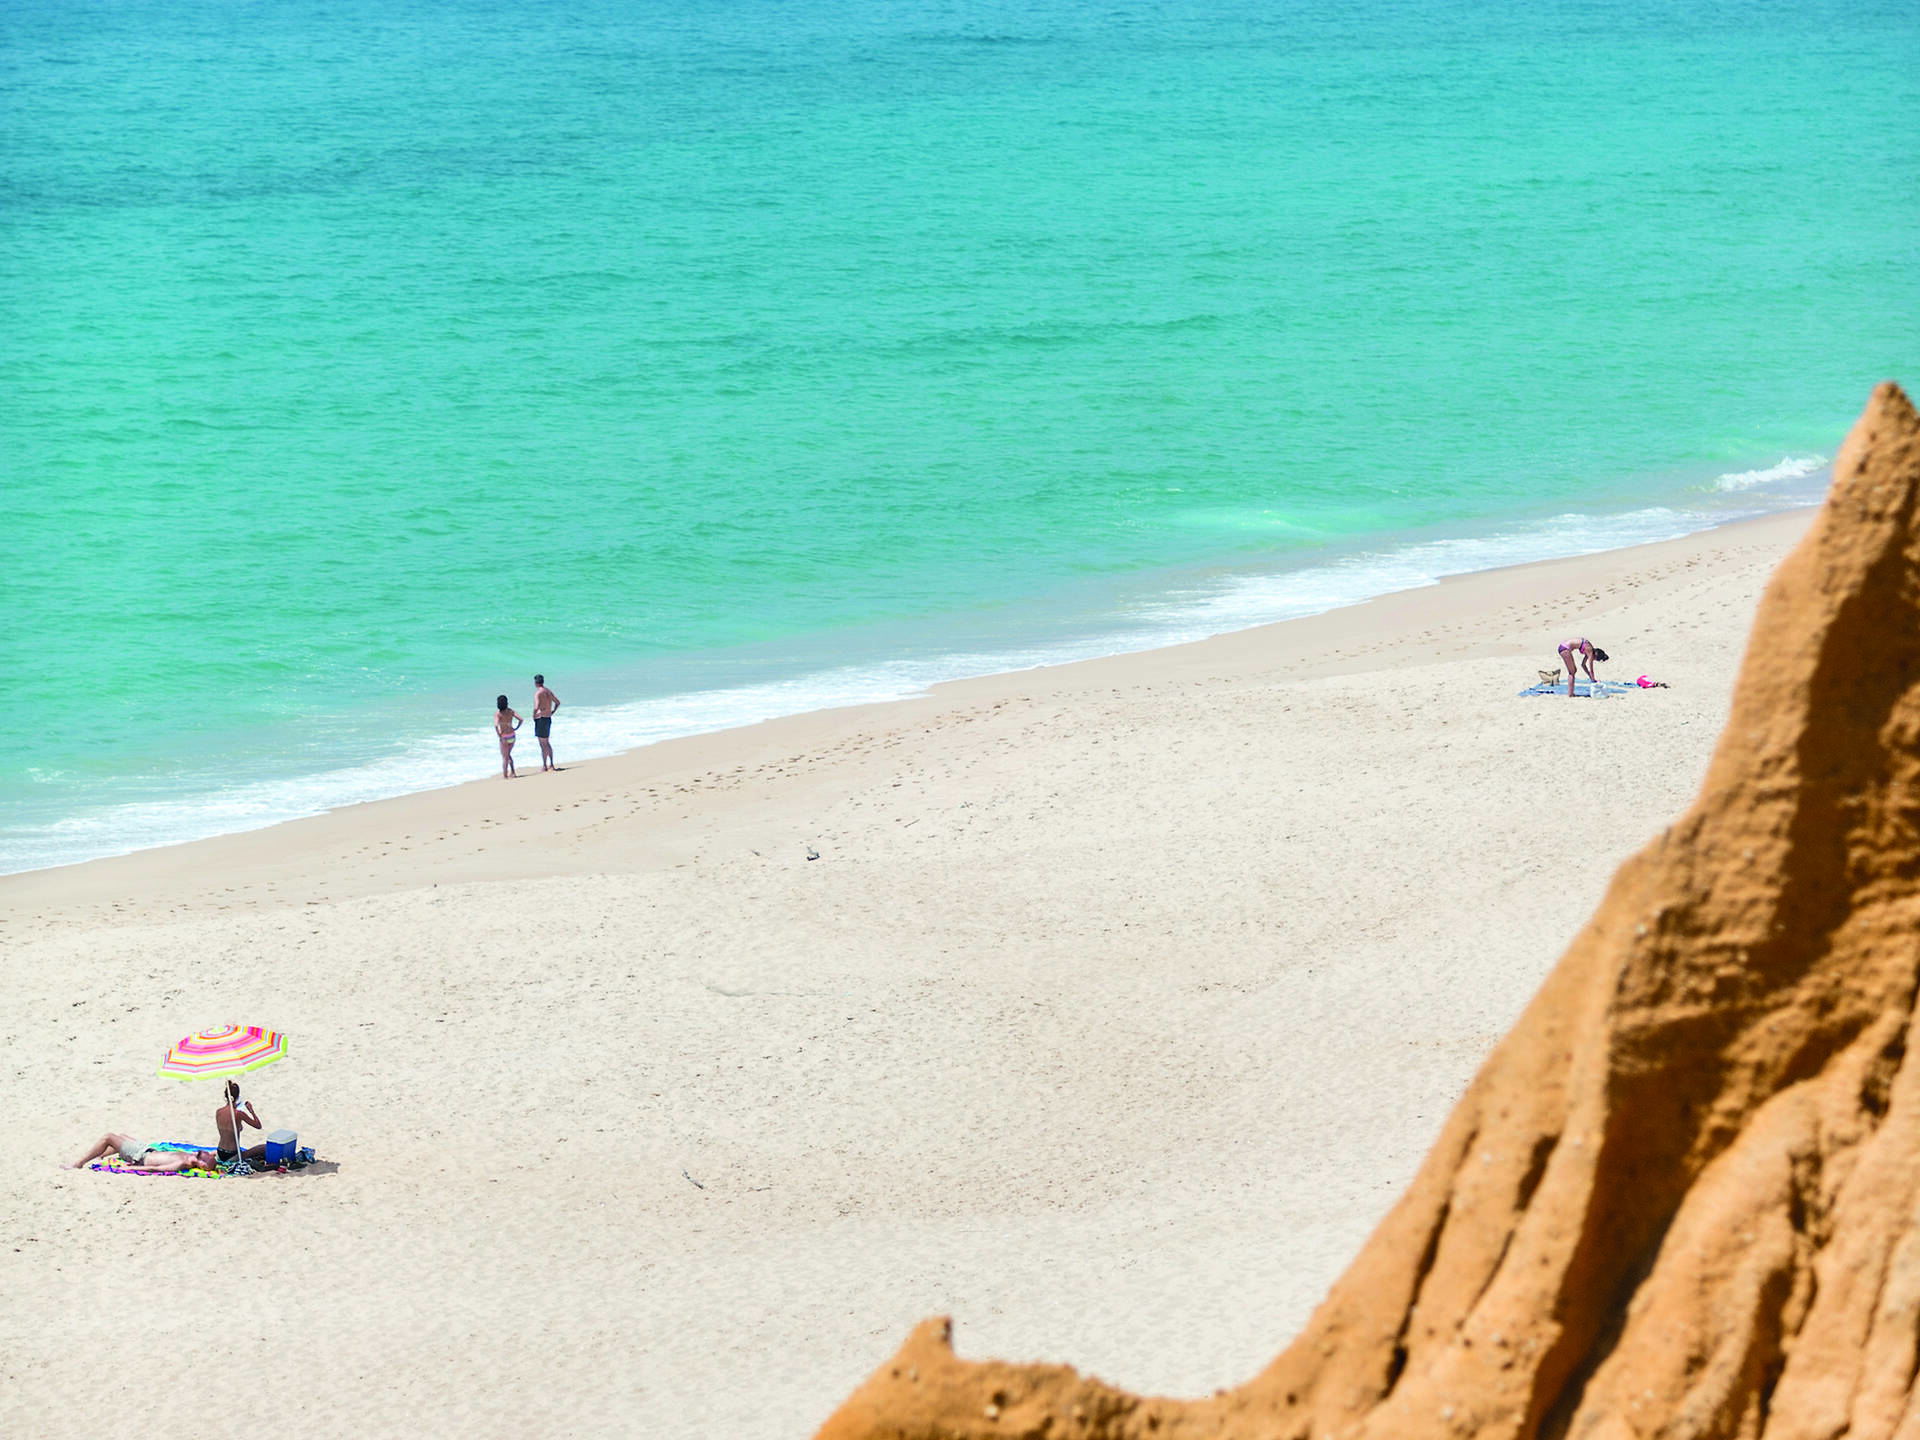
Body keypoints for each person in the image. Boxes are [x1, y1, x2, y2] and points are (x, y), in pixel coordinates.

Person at [70, 1134, 221, 1172]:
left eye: (204, 1158)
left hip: (140, 1156)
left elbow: (156, 1169)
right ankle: (100, 1155)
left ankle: (79, 1163)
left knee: (108, 1137)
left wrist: (132, 1168)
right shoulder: (193, 1155)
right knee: (121, 1136)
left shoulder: (182, 1163)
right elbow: (215, 1152)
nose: (204, 1154)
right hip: (147, 1150)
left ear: (201, 1164)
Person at [216, 1079, 269, 1163]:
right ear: (238, 1097)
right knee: (264, 1147)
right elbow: (258, 1126)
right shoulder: (238, 1114)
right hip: (233, 1154)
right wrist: (251, 1111)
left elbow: (228, 1130)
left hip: (220, 1152)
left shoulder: (218, 1112)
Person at [531, 674, 561, 772]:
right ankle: (551, 764)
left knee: (543, 744)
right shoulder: (548, 691)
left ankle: (545, 766)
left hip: (541, 718)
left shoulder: (538, 693)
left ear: (536, 683)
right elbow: (557, 702)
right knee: (547, 742)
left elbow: (536, 706)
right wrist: (552, 711)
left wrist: (534, 715)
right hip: (548, 718)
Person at [494, 694, 522, 779]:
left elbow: (496, 725)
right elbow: (521, 719)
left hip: (504, 736)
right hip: (512, 736)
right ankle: (513, 772)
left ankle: (505, 776)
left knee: (505, 757)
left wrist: (499, 734)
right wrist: (516, 727)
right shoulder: (511, 711)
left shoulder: (498, 714)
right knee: (508, 755)